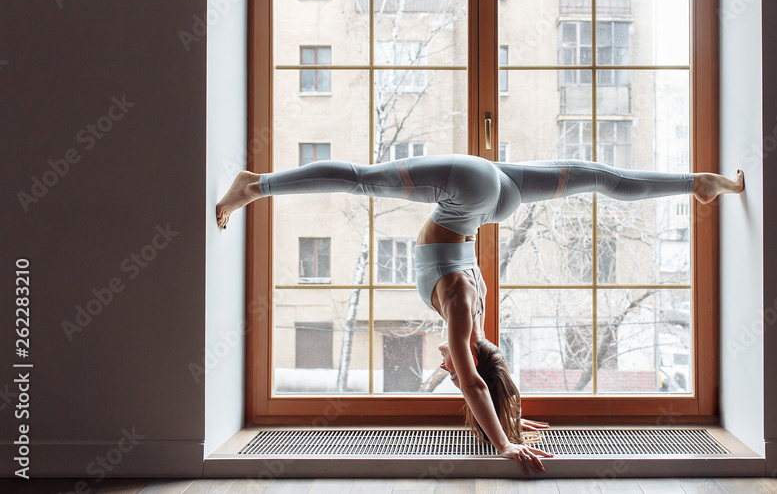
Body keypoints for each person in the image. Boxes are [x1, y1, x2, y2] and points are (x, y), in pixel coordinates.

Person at [216, 155, 744, 473]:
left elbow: (483, 376)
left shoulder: (476, 319)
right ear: (468, 352)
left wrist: (510, 407)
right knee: (360, 178)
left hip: (498, 196)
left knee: (601, 177)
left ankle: (696, 183)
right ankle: (254, 184)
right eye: (452, 362)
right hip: (467, 189)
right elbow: (473, 381)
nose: (442, 363)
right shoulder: (461, 310)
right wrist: (504, 441)